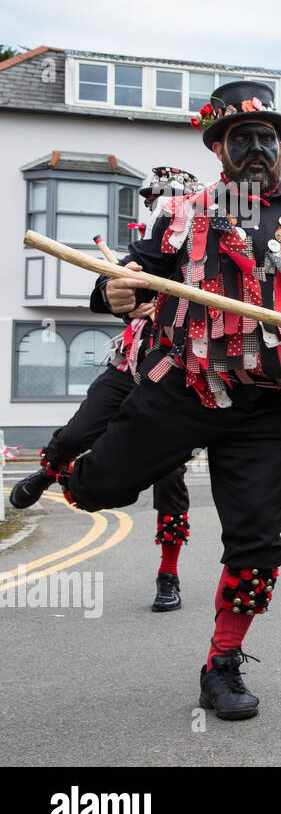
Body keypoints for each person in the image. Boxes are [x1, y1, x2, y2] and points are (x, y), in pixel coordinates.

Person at [51, 81, 281, 719]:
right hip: (185, 386)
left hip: (273, 406)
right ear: (218, 148)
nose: (258, 148)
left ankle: (222, 664)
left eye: (269, 138)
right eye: (243, 139)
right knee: (99, 489)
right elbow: (127, 280)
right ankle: (64, 466)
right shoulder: (180, 216)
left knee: (257, 540)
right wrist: (113, 295)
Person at [9, 167, 204, 613]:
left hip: (173, 375)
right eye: (156, 199)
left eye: (172, 199)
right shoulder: (149, 248)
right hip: (130, 363)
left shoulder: (207, 255)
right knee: (77, 435)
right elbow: (110, 291)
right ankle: (49, 471)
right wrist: (117, 289)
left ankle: (168, 573)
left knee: (169, 477)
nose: (162, 206)